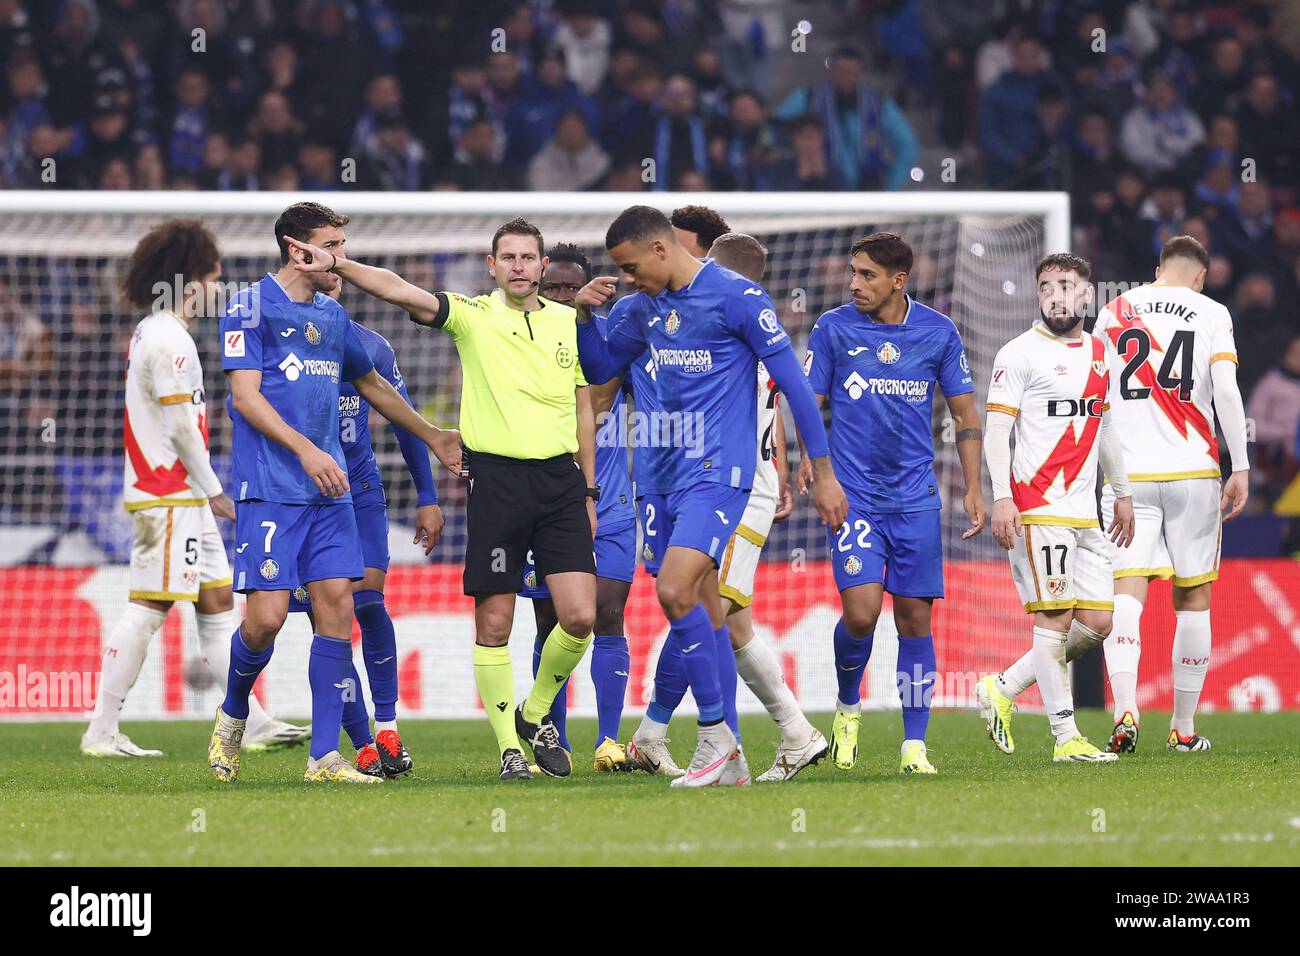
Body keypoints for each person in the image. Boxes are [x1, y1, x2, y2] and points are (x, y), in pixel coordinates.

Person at [284, 217, 597, 783]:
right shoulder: (473, 317)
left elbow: (583, 409)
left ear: (543, 266)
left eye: (530, 257)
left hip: (561, 483)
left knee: (579, 616)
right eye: (510, 257)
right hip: (497, 484)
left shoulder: (568, 325)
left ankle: (533, 713)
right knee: (496, 620)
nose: (521, 266)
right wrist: (339, 265)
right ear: (493, 266)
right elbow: (399, 288)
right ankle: (508, 749)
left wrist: (591, 487)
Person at [575, 205, 848, 788]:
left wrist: (821, 472)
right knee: (704, 605)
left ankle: (716, 738)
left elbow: (797, 388)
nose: (626, 278)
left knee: (678, 591)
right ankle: (733, 759)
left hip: (718, 473)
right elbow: (599, 365)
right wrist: (582, 315)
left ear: (659, 249)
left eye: (629, 266)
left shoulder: (737, 298)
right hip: (657, 477)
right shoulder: (638, 307)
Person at [208, 202, 461, 785]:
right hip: (271, 489)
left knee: (338, 610)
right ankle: (232, 711)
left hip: (332, 495)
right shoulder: (248, 307)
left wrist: (432, 434)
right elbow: (245, 397)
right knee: (265, 621)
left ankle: (324, 756)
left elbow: (373, 385)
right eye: (333, 247)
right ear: (299, 251)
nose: (343, 259)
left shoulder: (334, 316)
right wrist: (306, 449)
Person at [81, 218, 308, 758]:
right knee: (150, 605)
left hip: (179, 496)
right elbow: (181, 426)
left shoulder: (156, 333)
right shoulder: (169, 340)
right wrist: (212, 489)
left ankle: (248, 720)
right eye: (214, 277)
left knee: (215, 601)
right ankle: (102, 730)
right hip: (169, 495)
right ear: (190, 281)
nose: (218, 288)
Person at [799, 232, 986, 775]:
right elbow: (809, 405)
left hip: (915, 499)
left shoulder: (937, 331)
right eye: (853, 273)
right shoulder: (833, 328)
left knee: (913, 619)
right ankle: (847, 707)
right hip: (854, 497)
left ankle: (914, 745)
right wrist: (817, 466)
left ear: (898, 281)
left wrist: (974, 489)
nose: (854, 283)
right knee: (860, 613)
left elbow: (965, 416)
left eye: (867, 275)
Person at [1093, 235, 1250, 753]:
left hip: (1127, 478)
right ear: (1200, 276)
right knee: (1194, 596)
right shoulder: (1211, 311)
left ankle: (1125, 708)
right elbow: (1225, 390)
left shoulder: (1114, 309)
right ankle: (1183, 730)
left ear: (1157, 267)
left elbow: (1091, 398)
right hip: (1193, 472)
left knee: (1126, 593)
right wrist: (1240, 464)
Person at [977, 253, 1135, 762]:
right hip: (1038, 504)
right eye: (1047, 287)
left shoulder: (1100, 352)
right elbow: (997, 431)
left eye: (1066, 286)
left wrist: (1123, 491)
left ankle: (1001, 687)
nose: (1056, 296)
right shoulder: (1019, 352)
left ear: (1087, 295)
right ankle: (1066, 738)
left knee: (1097, 623)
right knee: (1056, 618)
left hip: (1085, 509)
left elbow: (1105, 427)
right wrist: (1002, 496)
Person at [286, 293, 445, 779]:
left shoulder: (371, 348)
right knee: (328, 619)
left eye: (335, 276)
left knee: (368, 605)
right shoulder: (283, 345)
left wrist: (428, 496)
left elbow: (405, 421)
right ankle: (362, 744)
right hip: (300, 494)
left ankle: (389, 726)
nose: (326, 286)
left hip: (360, 489)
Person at [516, 243, 635, 773]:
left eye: (572, 288)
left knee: (608, 615)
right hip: (544, 504)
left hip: (609, 501)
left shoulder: (604, 337)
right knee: (554, 625)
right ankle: (551, 740)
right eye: (555, 287)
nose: (562, 296)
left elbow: (603, 391)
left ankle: (608, 741)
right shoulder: (517, 339)